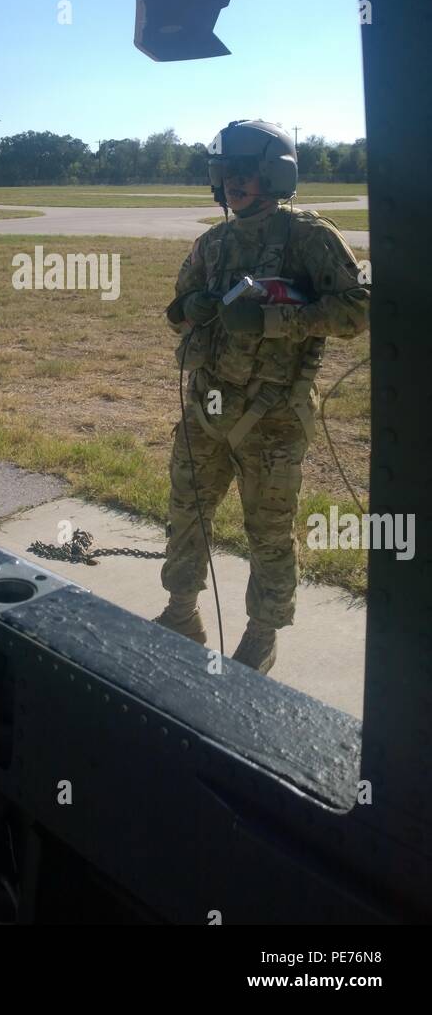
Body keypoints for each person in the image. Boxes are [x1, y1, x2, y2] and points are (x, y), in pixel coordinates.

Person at [154, 120, 370, 674]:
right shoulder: (214, 242)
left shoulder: (310, 237)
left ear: (276, 175)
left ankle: (262, 634)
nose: (233, 184)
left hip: (272, 418)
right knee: (187, 515)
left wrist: (273, 319)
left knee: (269, 532)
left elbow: (358, 309)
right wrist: (192, 309)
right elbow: (175, 311)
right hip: (206, 409)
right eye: (225, 173)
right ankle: (181, 613)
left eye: (246, 173)